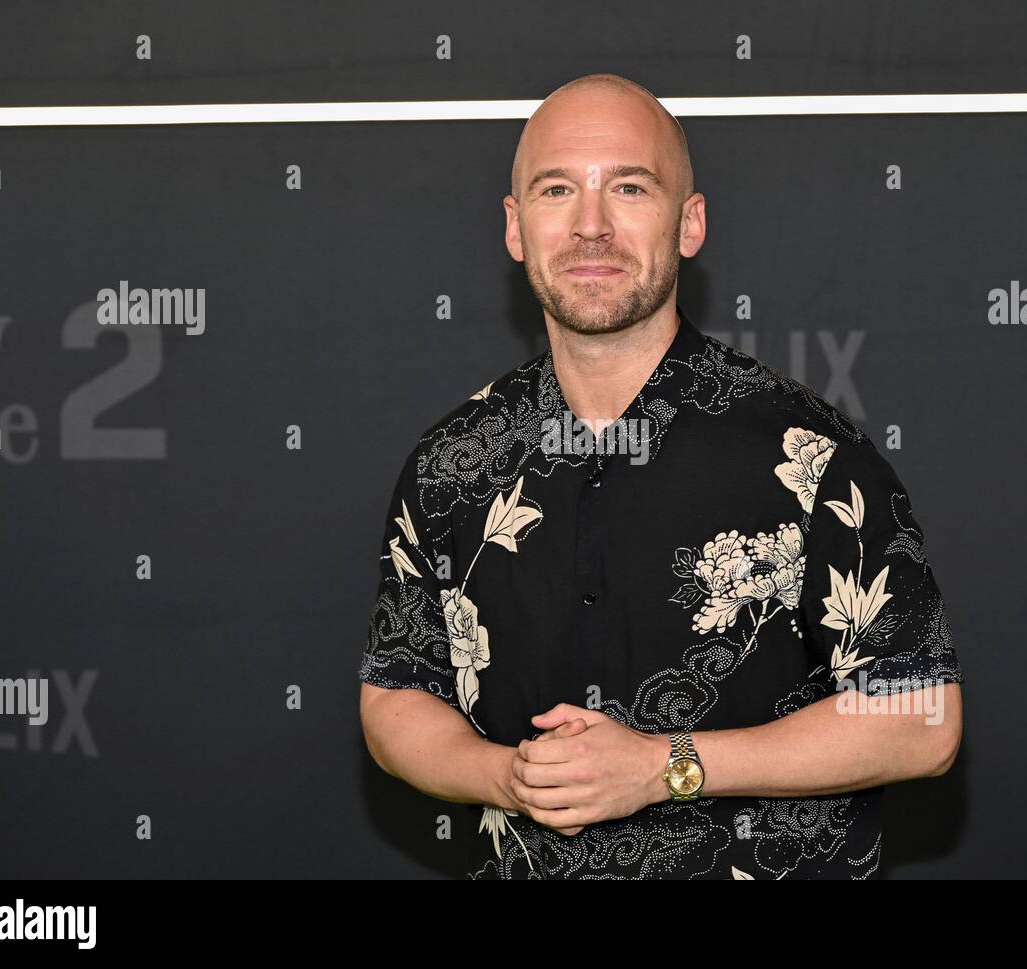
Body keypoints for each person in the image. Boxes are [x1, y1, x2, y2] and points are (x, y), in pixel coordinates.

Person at [358, 72, 964, 879]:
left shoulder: (809, 453)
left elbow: (924, 718)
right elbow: (396, 694)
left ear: (690, 223)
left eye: (630, 187)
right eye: (557, 189)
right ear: (514, 227)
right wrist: (506, 775)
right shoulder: (449, 464)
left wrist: (666, 765)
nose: (591, 225)